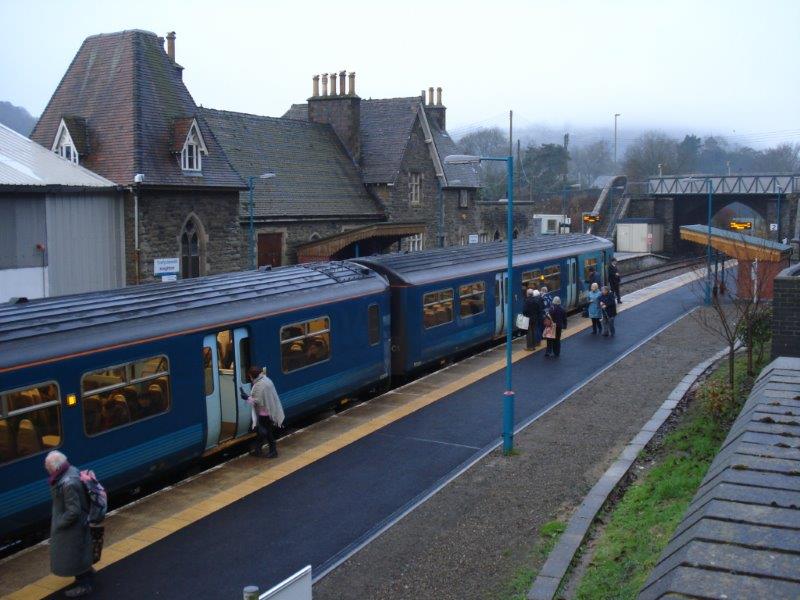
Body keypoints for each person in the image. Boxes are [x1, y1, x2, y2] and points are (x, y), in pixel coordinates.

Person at [44, 450, 94, 598]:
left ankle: (84, 585)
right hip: (78, 524)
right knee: (80, 551)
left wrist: (59, 523)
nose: (47, 470)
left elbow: (73, 511)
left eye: (48, 467)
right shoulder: (70, 470)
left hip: (74, 527)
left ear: (56, 467)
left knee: (75, 554)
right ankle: (87, 573)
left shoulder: (67, 483)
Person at [246, 366, 285, 458]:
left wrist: (246, 398)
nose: (250, 378)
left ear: (252, 376)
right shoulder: (266, 380)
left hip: (264, 413)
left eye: (250, 376)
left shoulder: (259, 385)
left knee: (267, 432)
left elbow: (257, 401)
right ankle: (257, 449)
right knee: (263, 431)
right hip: (270, 410)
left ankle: (273, 451)